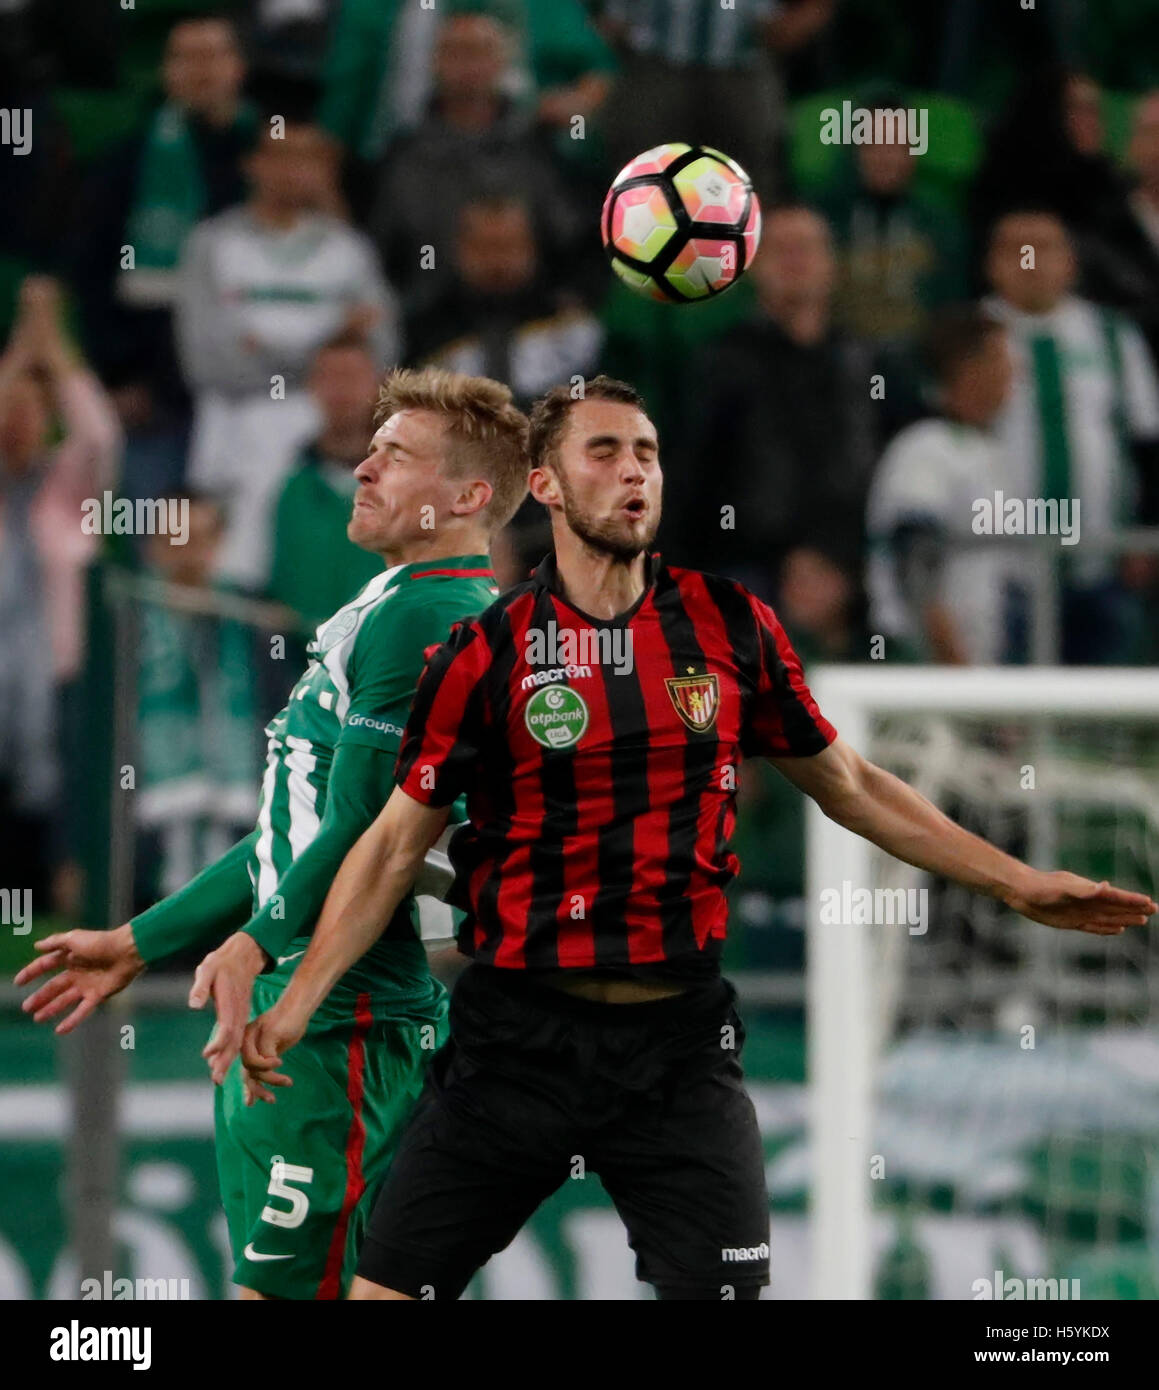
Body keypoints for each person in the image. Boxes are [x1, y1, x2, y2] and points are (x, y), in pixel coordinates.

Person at [239, 374, 1154, 1303]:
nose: (633, 471)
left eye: (646, 453)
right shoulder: (486, 650)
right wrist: (301, 995)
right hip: (513, 1042)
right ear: (546, 485)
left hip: (676, 1048)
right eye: (603, 452)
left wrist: (1014, 882)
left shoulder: (728, 624)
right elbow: (393, 847)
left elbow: (850, 786)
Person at [16, 367, 530, 1301]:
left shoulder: (434, 616)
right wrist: (142, 941)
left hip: (346, 1021)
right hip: (303, 1011)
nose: (365, 470)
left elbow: (371, 828)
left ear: (468, 497)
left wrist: (256, 944)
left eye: (395, 456)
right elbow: (283, 841)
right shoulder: (384, 606)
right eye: (369, 450)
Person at [176, 119, 399, 593]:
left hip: (329, 454)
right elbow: (208, 363)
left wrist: (270, 350)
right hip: (231, 442)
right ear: (252, 164)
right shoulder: (212, 245)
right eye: (281, 155)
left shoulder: (350, 251)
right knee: (234, 594)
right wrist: (331, 340)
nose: (294, 170)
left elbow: (381, 356)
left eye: (307, 157)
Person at [68, 14, 256, 499]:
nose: (200, 70)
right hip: (152, 394)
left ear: (238, 66)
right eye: (185, 58)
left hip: (251, 395)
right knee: (157, 545)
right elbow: (92, 273)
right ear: (167, 72)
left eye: (212, 56)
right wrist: (120, 375)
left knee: (240, 551)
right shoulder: (125, 163)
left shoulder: (271, 157)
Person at [672, 205, 878, 603]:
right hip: (743, 571)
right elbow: (691, 479)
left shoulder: (864, 364)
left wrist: (833, 556)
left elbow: (873, 469)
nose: (794, 260)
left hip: (850, 568)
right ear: (756, 266)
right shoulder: (721, 362)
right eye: (780, 249)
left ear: (832, 264)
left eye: (806, 248)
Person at [983, 208, 1159, 663]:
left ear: (1071, 262)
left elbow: (1147, 443)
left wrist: (1143, 535)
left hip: (1103, 562)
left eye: (1044, 248)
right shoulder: (973, 335)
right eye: (1015, 249)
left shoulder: (1114, 336)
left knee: (1102, 715)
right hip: (1000, 567)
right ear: (991, 264)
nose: (1030, 260)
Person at [0, 277, 120, 907]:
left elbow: (98, 436)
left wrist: (54, 343)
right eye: (8, 408)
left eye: (32, 409)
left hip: (64, 673)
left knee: (69, 797)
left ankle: (60, 906)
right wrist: (25, 344)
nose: (17, 419)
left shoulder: (69, 492)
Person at [867, 306, 1026, 665]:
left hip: (979, 667)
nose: (1015, 372)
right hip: (925, 666)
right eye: (1003, 359)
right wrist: (948, 658)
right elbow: (913, 559)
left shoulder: (989, 452)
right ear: (968, 371)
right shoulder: (926, 448)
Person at [408, 196, 602, 409]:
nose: (496, 262)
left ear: (532, 249)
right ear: (460, 250)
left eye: (508, 246)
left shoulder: (569, 322)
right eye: (484, 247)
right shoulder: (429, 329)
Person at [267, 335, 387, 630]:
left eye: (352, 376)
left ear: (379, 386)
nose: (341, 389)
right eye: (329, 377)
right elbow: (275, 593)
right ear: (311, 387)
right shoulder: (291, 489)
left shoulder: (413, 485)